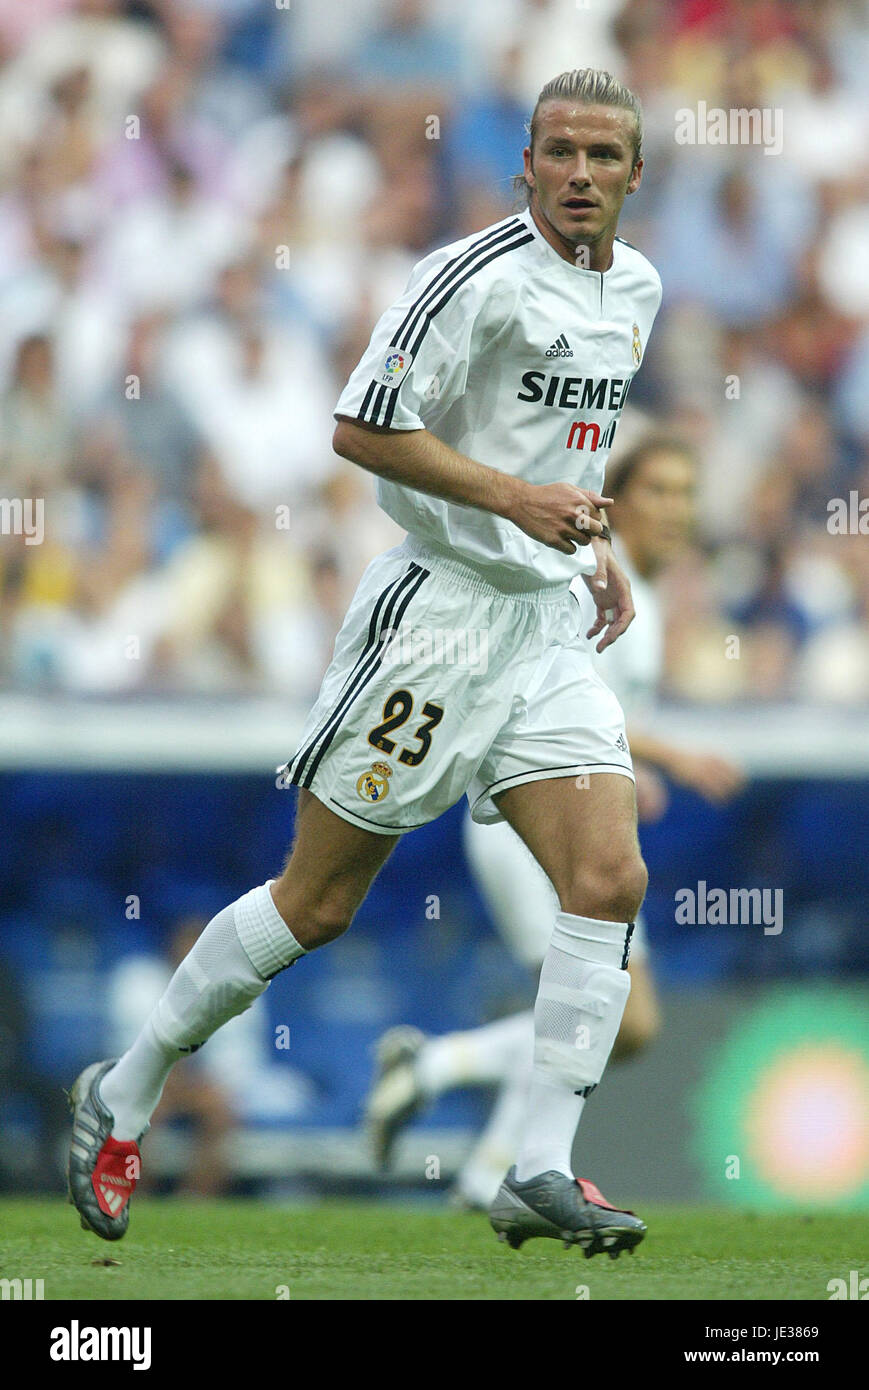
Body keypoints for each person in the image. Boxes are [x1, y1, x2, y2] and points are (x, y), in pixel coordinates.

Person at [68, 68, 662, 1257]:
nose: (582, 175)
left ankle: (536, 1162)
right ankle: (122, 1092)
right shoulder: (469, 279)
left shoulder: (636, 290)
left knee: (609, 882)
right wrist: (510, 501)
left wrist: (589, 543)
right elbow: (359, 427)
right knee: (319, 904)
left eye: (604, 156)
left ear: (633, 175)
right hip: (433, 622)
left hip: (540, 626)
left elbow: (564, 447)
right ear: (525, 167)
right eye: (561, 154)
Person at [365, 436, 745, 1207]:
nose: (676, 509)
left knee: (594, 1016)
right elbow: (559, 694)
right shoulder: (581, 573)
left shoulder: (640, 588)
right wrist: (674, 757)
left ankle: (484, 1175)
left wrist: (627, 774)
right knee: (612, 1016)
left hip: (569, 818)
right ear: (616, 497)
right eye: (659, 489)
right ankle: (438, 1075)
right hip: (526, 821)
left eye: (686, 492)